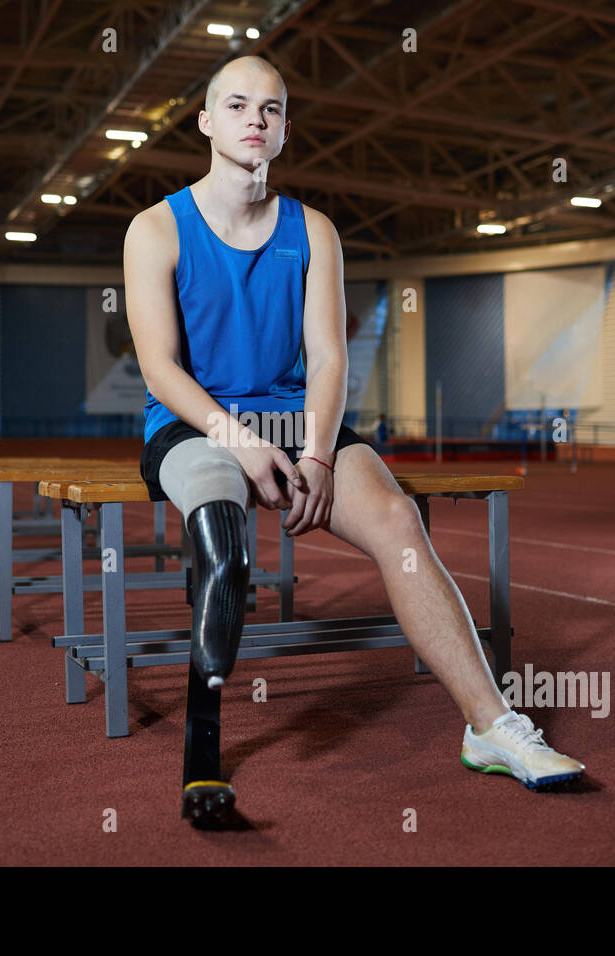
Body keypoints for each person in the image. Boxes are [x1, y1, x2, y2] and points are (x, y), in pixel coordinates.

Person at [123, 56, 583, 825]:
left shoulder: (315, 231)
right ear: (205, 122)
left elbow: (331, 357)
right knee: (222, 534)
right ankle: (204, 749)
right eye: (237, 105)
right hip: (195, 421)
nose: (255, 120)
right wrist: (239, 443)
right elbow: (160, 368)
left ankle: (492, 727)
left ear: (285, 131)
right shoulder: (156, 229)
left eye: (271, 109)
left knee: (401, 524)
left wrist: (316, 454)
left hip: (298, 420)